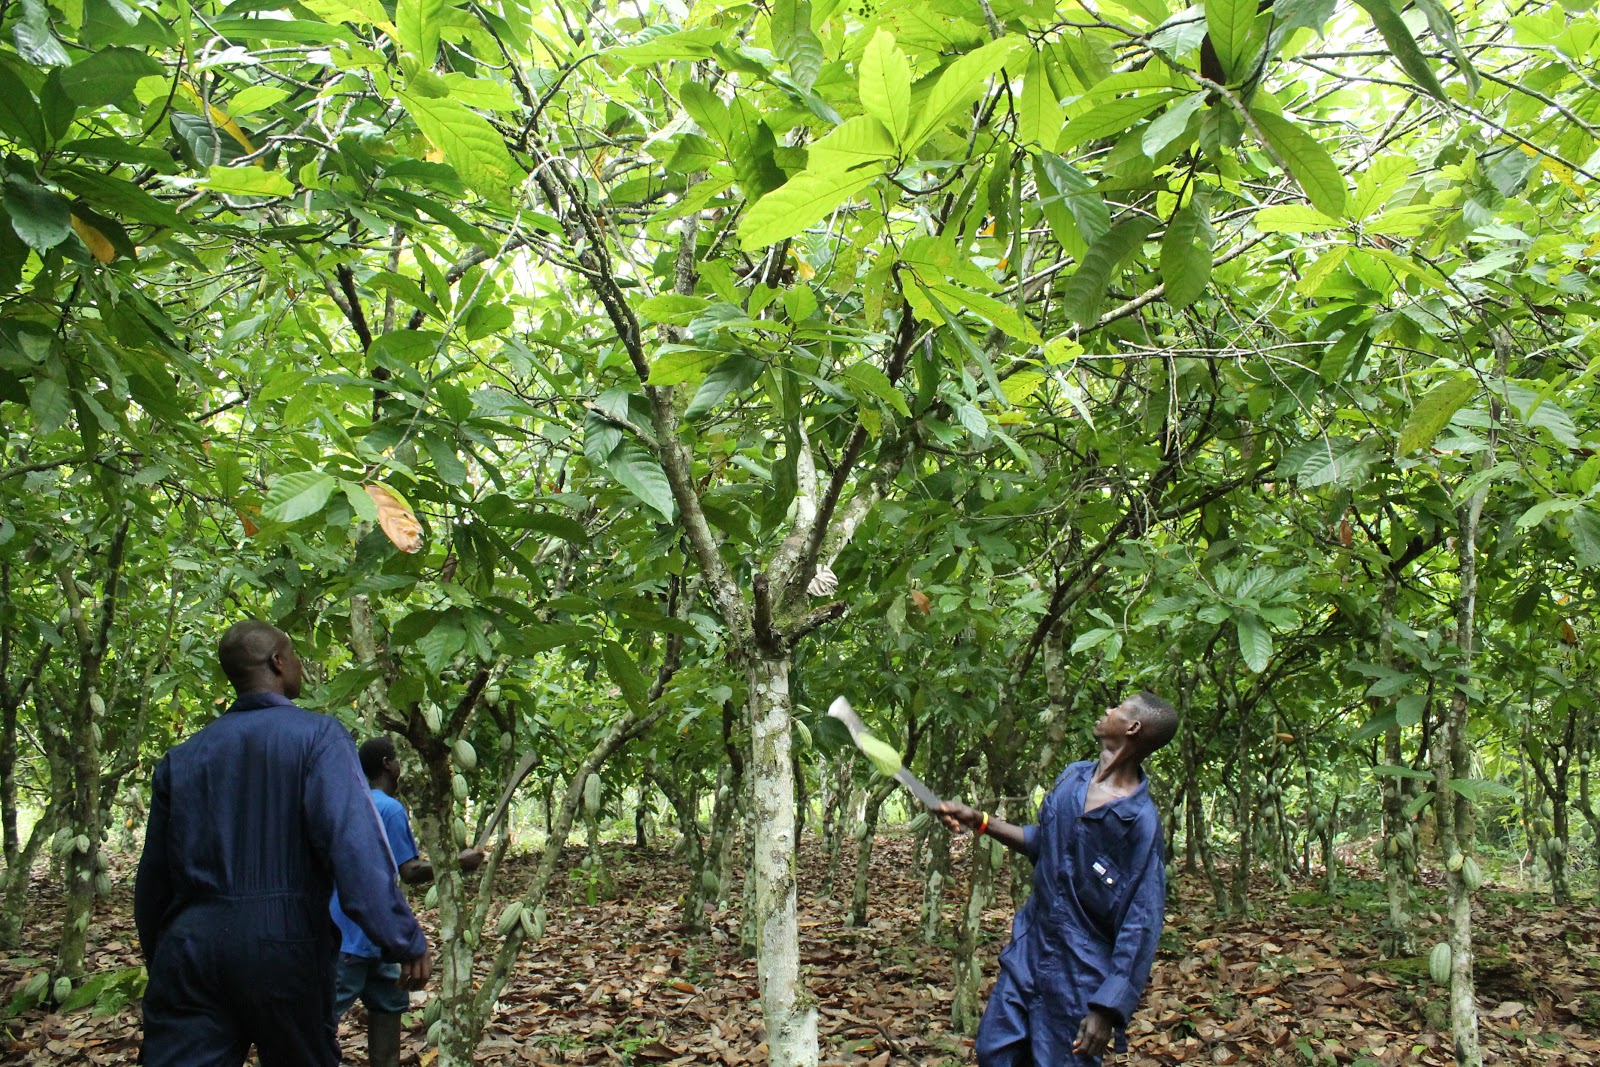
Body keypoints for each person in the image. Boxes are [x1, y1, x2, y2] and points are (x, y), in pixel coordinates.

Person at [134, 621, 431, 1067]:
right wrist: (402, 938)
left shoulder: (182, 758)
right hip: (285, 942)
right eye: (293, 655)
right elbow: (355, 850)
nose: (298, 665)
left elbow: (153, 881)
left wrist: (165, 958)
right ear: (277, 662)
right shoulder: (320, 737)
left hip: (191, 945)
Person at [938, 692, 1178, 1067]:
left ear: (1132, 727)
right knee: (993, 1052)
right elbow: (1046, 843)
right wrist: (980, 821)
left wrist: (1107, 1008)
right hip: (1029, 950)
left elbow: (1142, 921)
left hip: (1080, 972)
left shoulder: (1139, 821)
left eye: (1118, 708)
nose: (1108, 709)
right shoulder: (1073, 778)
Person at [332, 735, 484, 1067]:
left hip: (359, 934)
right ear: (387, 764)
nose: (402, 765)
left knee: (375, 1009)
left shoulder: (348, 802)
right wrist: (459, 862)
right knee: (328, 1018)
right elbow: (410, 871)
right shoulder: (389, 808)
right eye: (398, 759)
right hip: (370, 935)